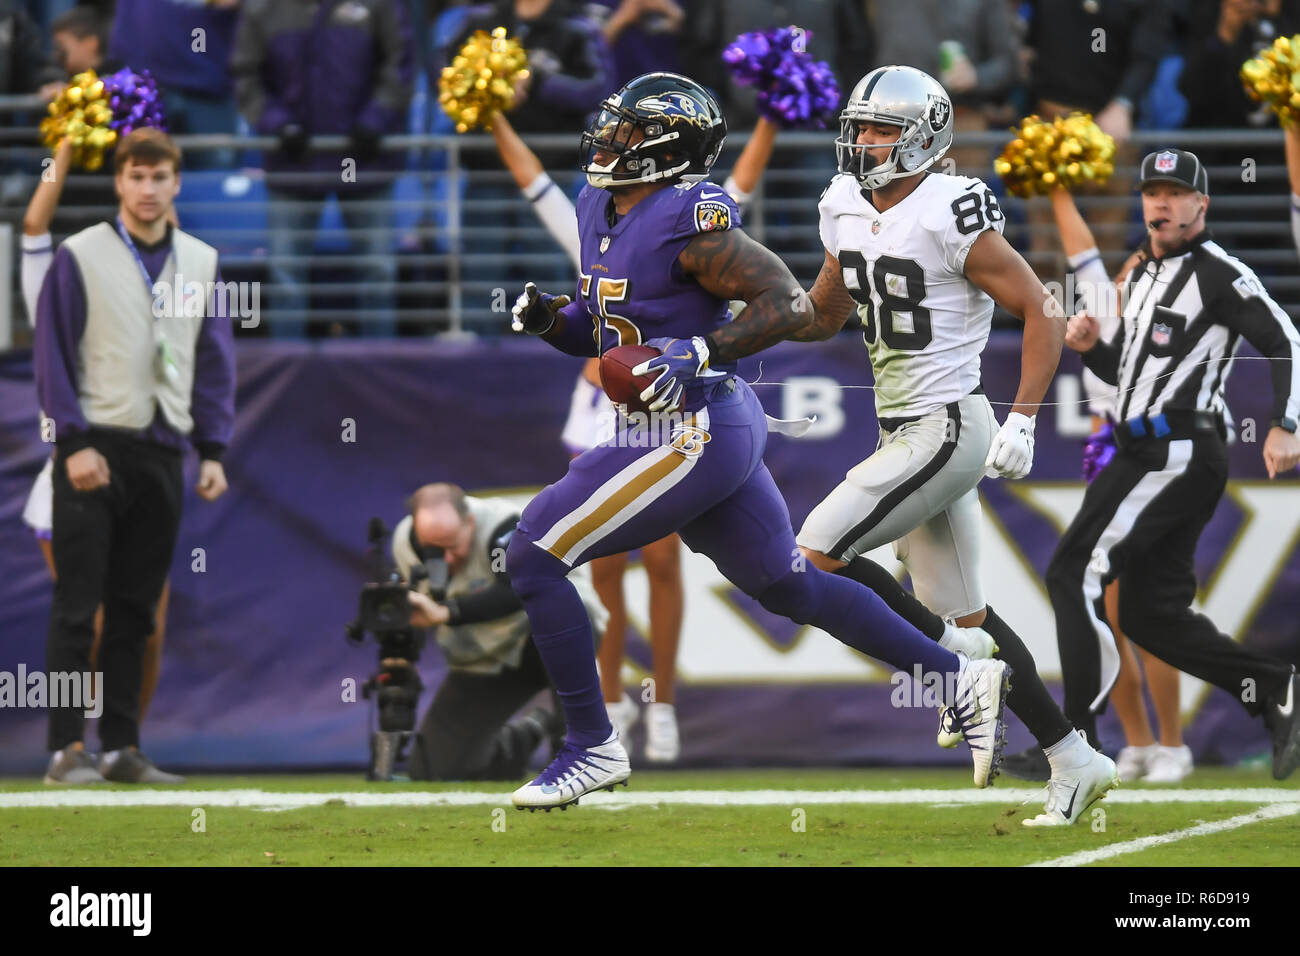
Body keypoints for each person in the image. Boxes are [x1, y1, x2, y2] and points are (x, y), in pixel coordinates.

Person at [506, 71, 1011, 811]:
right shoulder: (596, 204)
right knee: (787, 584)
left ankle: (592, 745)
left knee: (533, 552)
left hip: (691, 426)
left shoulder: (689, 214)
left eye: (629, 130)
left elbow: (786, 302)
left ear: (667, 149)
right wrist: (554, 322)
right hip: (681, 424)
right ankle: (956, 676)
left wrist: (700, 351)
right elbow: (610, 332)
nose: (610, 139)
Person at [788, 65, 1117, 826]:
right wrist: (738, 326)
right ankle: (1074, 757)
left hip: (947, 426)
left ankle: (956, 668)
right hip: (902, 428)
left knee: (814, 558)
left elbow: (1040, 307)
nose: (864, 143)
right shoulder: (844, 204)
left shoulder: (948, 208)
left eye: (881, 131)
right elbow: (822, 314)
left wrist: (1025, 416)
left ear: (924, 138)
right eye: (860, 127)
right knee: (971, 621)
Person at [1049, 147, 1300, 782]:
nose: (1160, 202)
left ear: (1201, 205)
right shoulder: (1143, 274)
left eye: (1174, 192)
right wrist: (1089, 352)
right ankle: (1275, 688)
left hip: (1178, 450)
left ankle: (1075, 743)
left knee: (1071, 571)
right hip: (1145, 445)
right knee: (1144, 614)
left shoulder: (1219, 274)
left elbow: (1286, 340)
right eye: (1151, 192)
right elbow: (1132, 379)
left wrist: (1285, 423)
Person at [34, 128, 236, 785]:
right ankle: (66, 748)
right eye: (136, 177)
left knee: (136, 611)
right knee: (76, 606)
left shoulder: (200, 261)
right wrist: (73, 442)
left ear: (177, 184)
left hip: (161, 450)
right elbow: (53, 354)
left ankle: (121, 745)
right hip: (95, 446)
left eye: (159, 178)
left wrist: (212, 448)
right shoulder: (80, 254)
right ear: (118, 183)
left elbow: (212, 360)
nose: (148, 190)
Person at [1005, 185, 1193, 785]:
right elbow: (1083, 253)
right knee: (1109, 614)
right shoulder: (1110, 309)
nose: (1127, 278)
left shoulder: (1168, 326)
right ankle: (1135, 743)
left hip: (1152, 463)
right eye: (1129, 272)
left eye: (1141, 273)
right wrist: (1055, 183)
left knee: (1144, 610)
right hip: (1110, 461)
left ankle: (1174, 744)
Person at [21, 137, 173, 732]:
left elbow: (172, 247)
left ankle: (126, 742)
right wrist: (68, 138)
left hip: (138, 466)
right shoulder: (55, 283)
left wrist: (154, 164)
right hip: (75, 470)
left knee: (147, 623)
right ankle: (71, 742)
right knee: (89, 617)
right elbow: (35, 224)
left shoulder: (150, 288)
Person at [393, 484, 608, 780]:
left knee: (564, 611)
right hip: (486, 652)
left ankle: (579, 750)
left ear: (470, 522)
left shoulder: (505, 526)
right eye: (433, 551)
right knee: (432, 769)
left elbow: (517, 590)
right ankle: (522, 738)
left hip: (543, 637)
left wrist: (447, 611)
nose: (445, 561)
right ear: (417, 534)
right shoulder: (403, 544)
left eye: (452, 546)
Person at [231, 0, 415, 337]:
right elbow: (245, 75)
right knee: (286, 275)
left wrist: (376, 120)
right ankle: (287, 370)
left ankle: (380, 367)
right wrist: (279, 125)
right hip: (293, 159)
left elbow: (401, 62)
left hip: (365, 158)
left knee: (378, 272)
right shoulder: (262, 7)